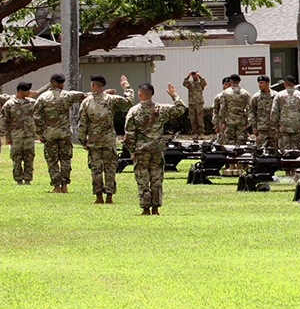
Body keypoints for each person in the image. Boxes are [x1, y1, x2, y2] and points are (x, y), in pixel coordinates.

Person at [124, 82, 185, 215]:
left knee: (143, 180)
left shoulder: (133, 112)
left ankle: (146, 208)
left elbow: (129, 135)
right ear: (152, 95)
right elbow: (181, 108)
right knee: (157, 179)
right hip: (157, 150)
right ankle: (156, 208)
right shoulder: (161, 109)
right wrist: (173, 94)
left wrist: (131, 151)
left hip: (141, 151)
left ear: (140, 94)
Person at [77, 74, 135, 204]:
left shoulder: (86, 102)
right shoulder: (111, 99)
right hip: (108, 140)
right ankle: (109, 196)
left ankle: (98, 197)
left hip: (93, 141)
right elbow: (129, 101)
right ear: (102, 86)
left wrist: (83, 140)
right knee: (110, 168)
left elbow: (82, 123)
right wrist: (126, 86)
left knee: (96, 169)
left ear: (92, 85)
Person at [33, 73, 86, 193]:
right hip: (64, 133)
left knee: (52, 160)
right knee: (65, 159)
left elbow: (36, 117)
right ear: (60, 83)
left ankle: (56, 186)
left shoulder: (43, 97)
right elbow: (85, 96)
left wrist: (40, 133)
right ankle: (65, 186)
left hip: (49, 133)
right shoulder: (67, 95)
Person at [2, 82, 38, 185]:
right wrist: (7, 136)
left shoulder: (31, 103)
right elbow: (5, 121)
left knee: (29, 158)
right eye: (26, 90)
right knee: (16, 159)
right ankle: (18, 179)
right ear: (20, 91)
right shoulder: (9, 104)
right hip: (16, 136)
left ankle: (28, 179)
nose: (29, 92)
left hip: (28, 135)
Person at [271, 75, 300, 150]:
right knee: (296, 150)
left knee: (284, 150)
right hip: (297, 127)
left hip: (283, 127)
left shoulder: (279, 95)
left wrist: (275, 126)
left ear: (284, 84)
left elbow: (274, 112)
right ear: (294, 84)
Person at [249, 75, 275, 148]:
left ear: (267, 83)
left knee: (274, 149)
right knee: (259, 149)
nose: (260, 85)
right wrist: (254, 128)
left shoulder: (275, 96)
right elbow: (251, 113)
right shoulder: (256, 97)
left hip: (273, 129)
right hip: (261, 129)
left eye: (261, 83)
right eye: (259, 83)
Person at [182, 71, 208, 137]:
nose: (194, 76)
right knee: (192, 119)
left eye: (195, 75)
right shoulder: (190, 83)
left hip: (199, 103)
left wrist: (199, 76)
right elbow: (184, 83)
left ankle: (201, 132)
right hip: (192, 103)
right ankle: (194, 132)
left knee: (200, 119)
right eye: (193, 75)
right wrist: (188, 76)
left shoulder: (200, 83)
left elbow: (204, 83)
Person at [211, 77, 231, 143]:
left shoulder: (237, 96)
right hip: (222, 124)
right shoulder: (219, 97)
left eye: (227, 84)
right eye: (224, 84)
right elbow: (215, 112)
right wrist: (216, 125)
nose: (225, 86)